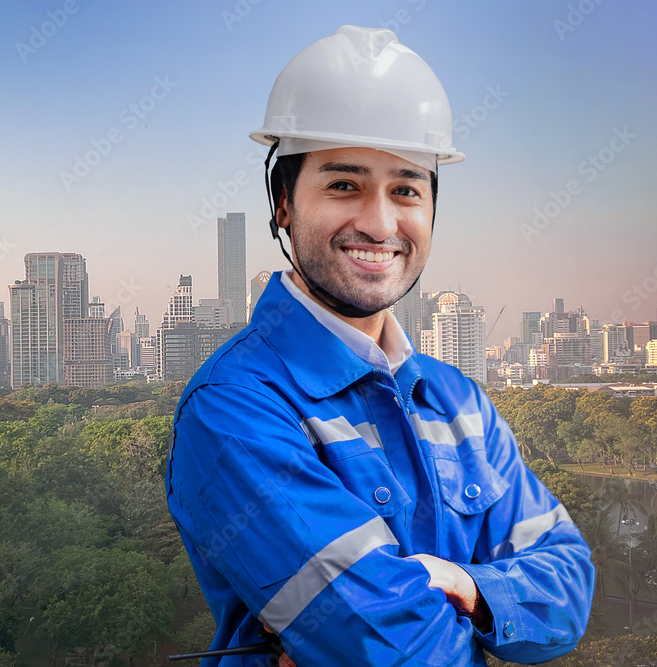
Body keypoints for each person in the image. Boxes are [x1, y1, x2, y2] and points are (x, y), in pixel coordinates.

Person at [165, 25, 595, 666]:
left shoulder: (459, 402)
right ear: (284, 204)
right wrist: (480, 615)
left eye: (405, 189)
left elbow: (568, 591)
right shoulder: (234, 408)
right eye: (344, 185)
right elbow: (392, 651)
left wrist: (472, 588)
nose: (380, 221)